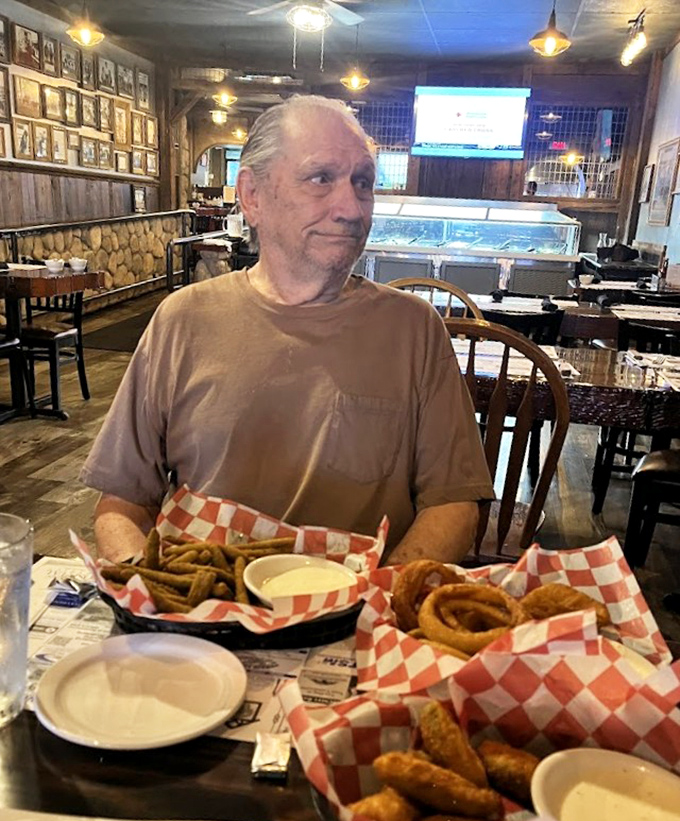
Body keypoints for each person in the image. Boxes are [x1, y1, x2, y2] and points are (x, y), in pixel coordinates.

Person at [81, 95, 493, 565]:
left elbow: (454, 503)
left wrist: (380, 599)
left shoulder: (416, 329)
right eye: (321, 179)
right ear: (252, 196)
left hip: (361, 618)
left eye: (363, 183)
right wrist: (150, 598)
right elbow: (121, 502)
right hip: (203, 617)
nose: (352, 209)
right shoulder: (182, 319)